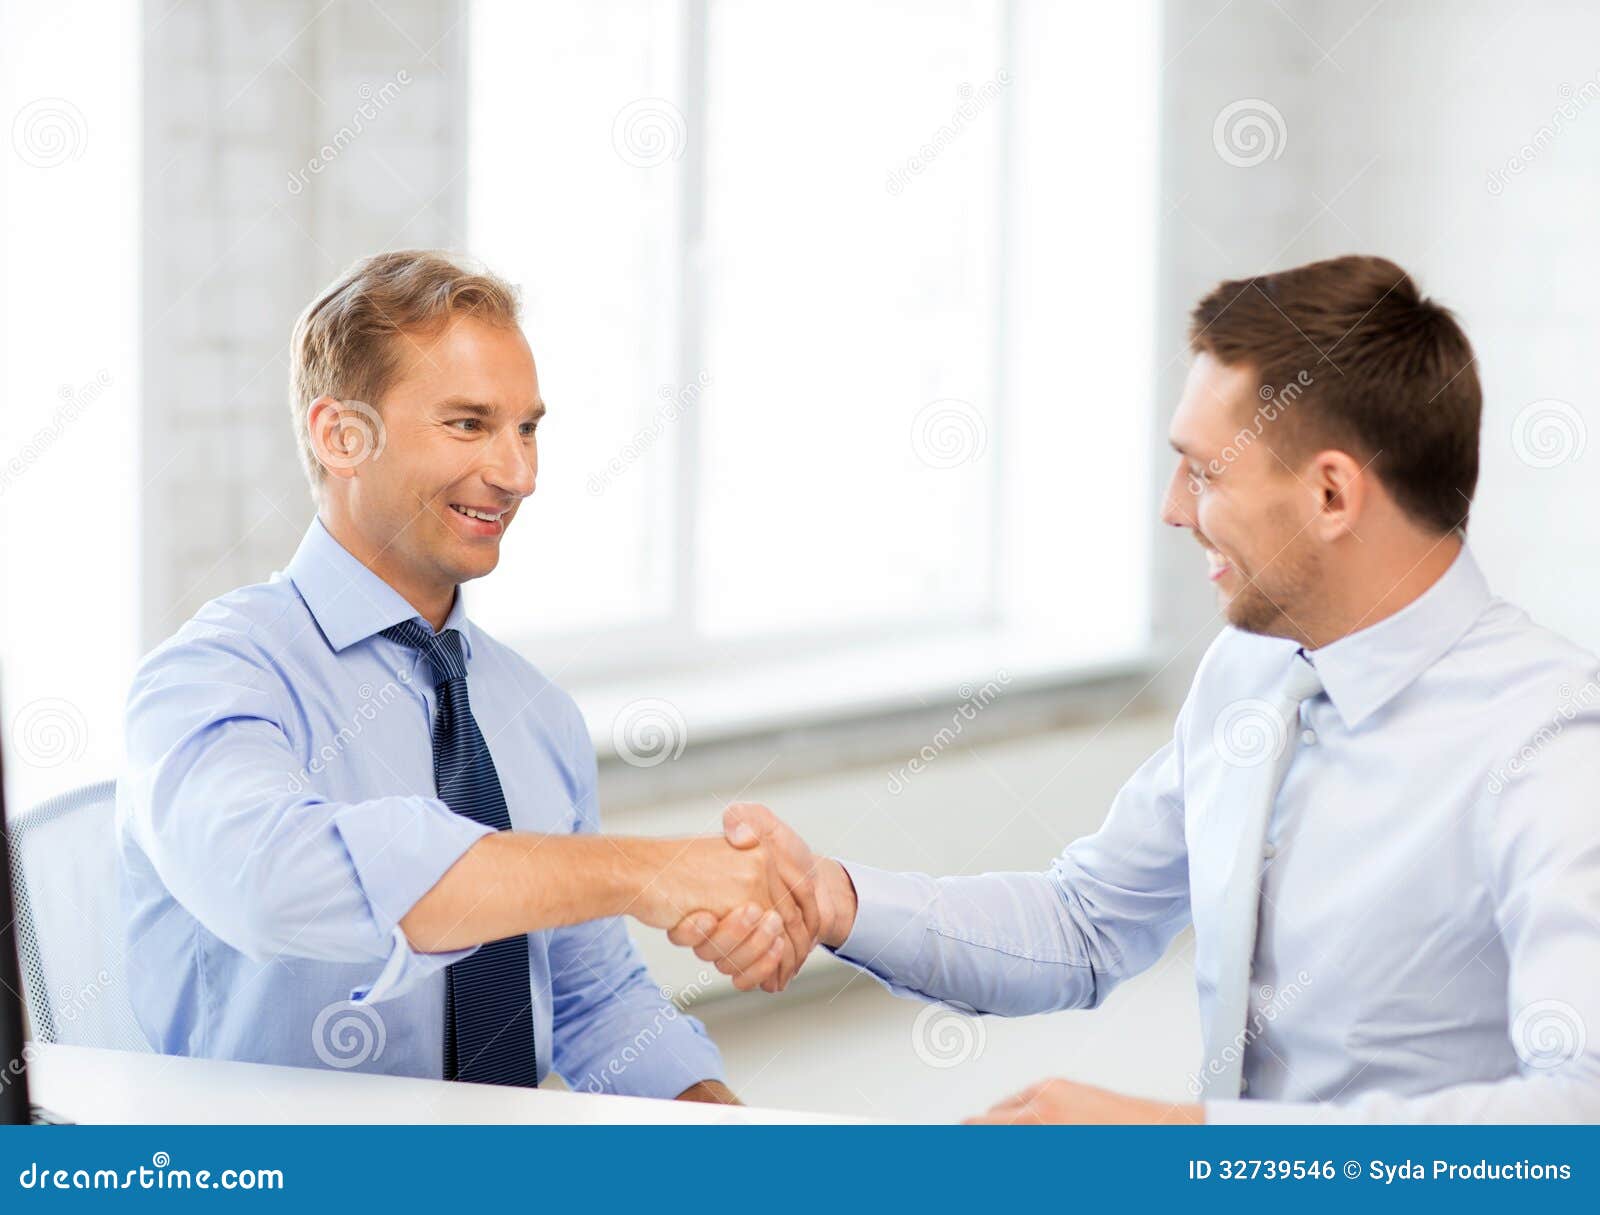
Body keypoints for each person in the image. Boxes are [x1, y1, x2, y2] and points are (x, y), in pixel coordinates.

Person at [675, 255, 1600, 1123]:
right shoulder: (1255, 674)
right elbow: (1084, 923)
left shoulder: (1552, 745)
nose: (1173, 507)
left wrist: (1184, 1144)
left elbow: (1577, 1120)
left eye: (1206, 471)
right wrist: (835, 898)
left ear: (1331, 495)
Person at [116, 250, 818, 1103]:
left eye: (527, 428)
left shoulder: (536, 712)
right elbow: (273, 882)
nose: (519, 474)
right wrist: (646, 871)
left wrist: (743, 1144)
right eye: (469, 424)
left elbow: (596, 1001)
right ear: (342, 436)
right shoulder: (213, 677)